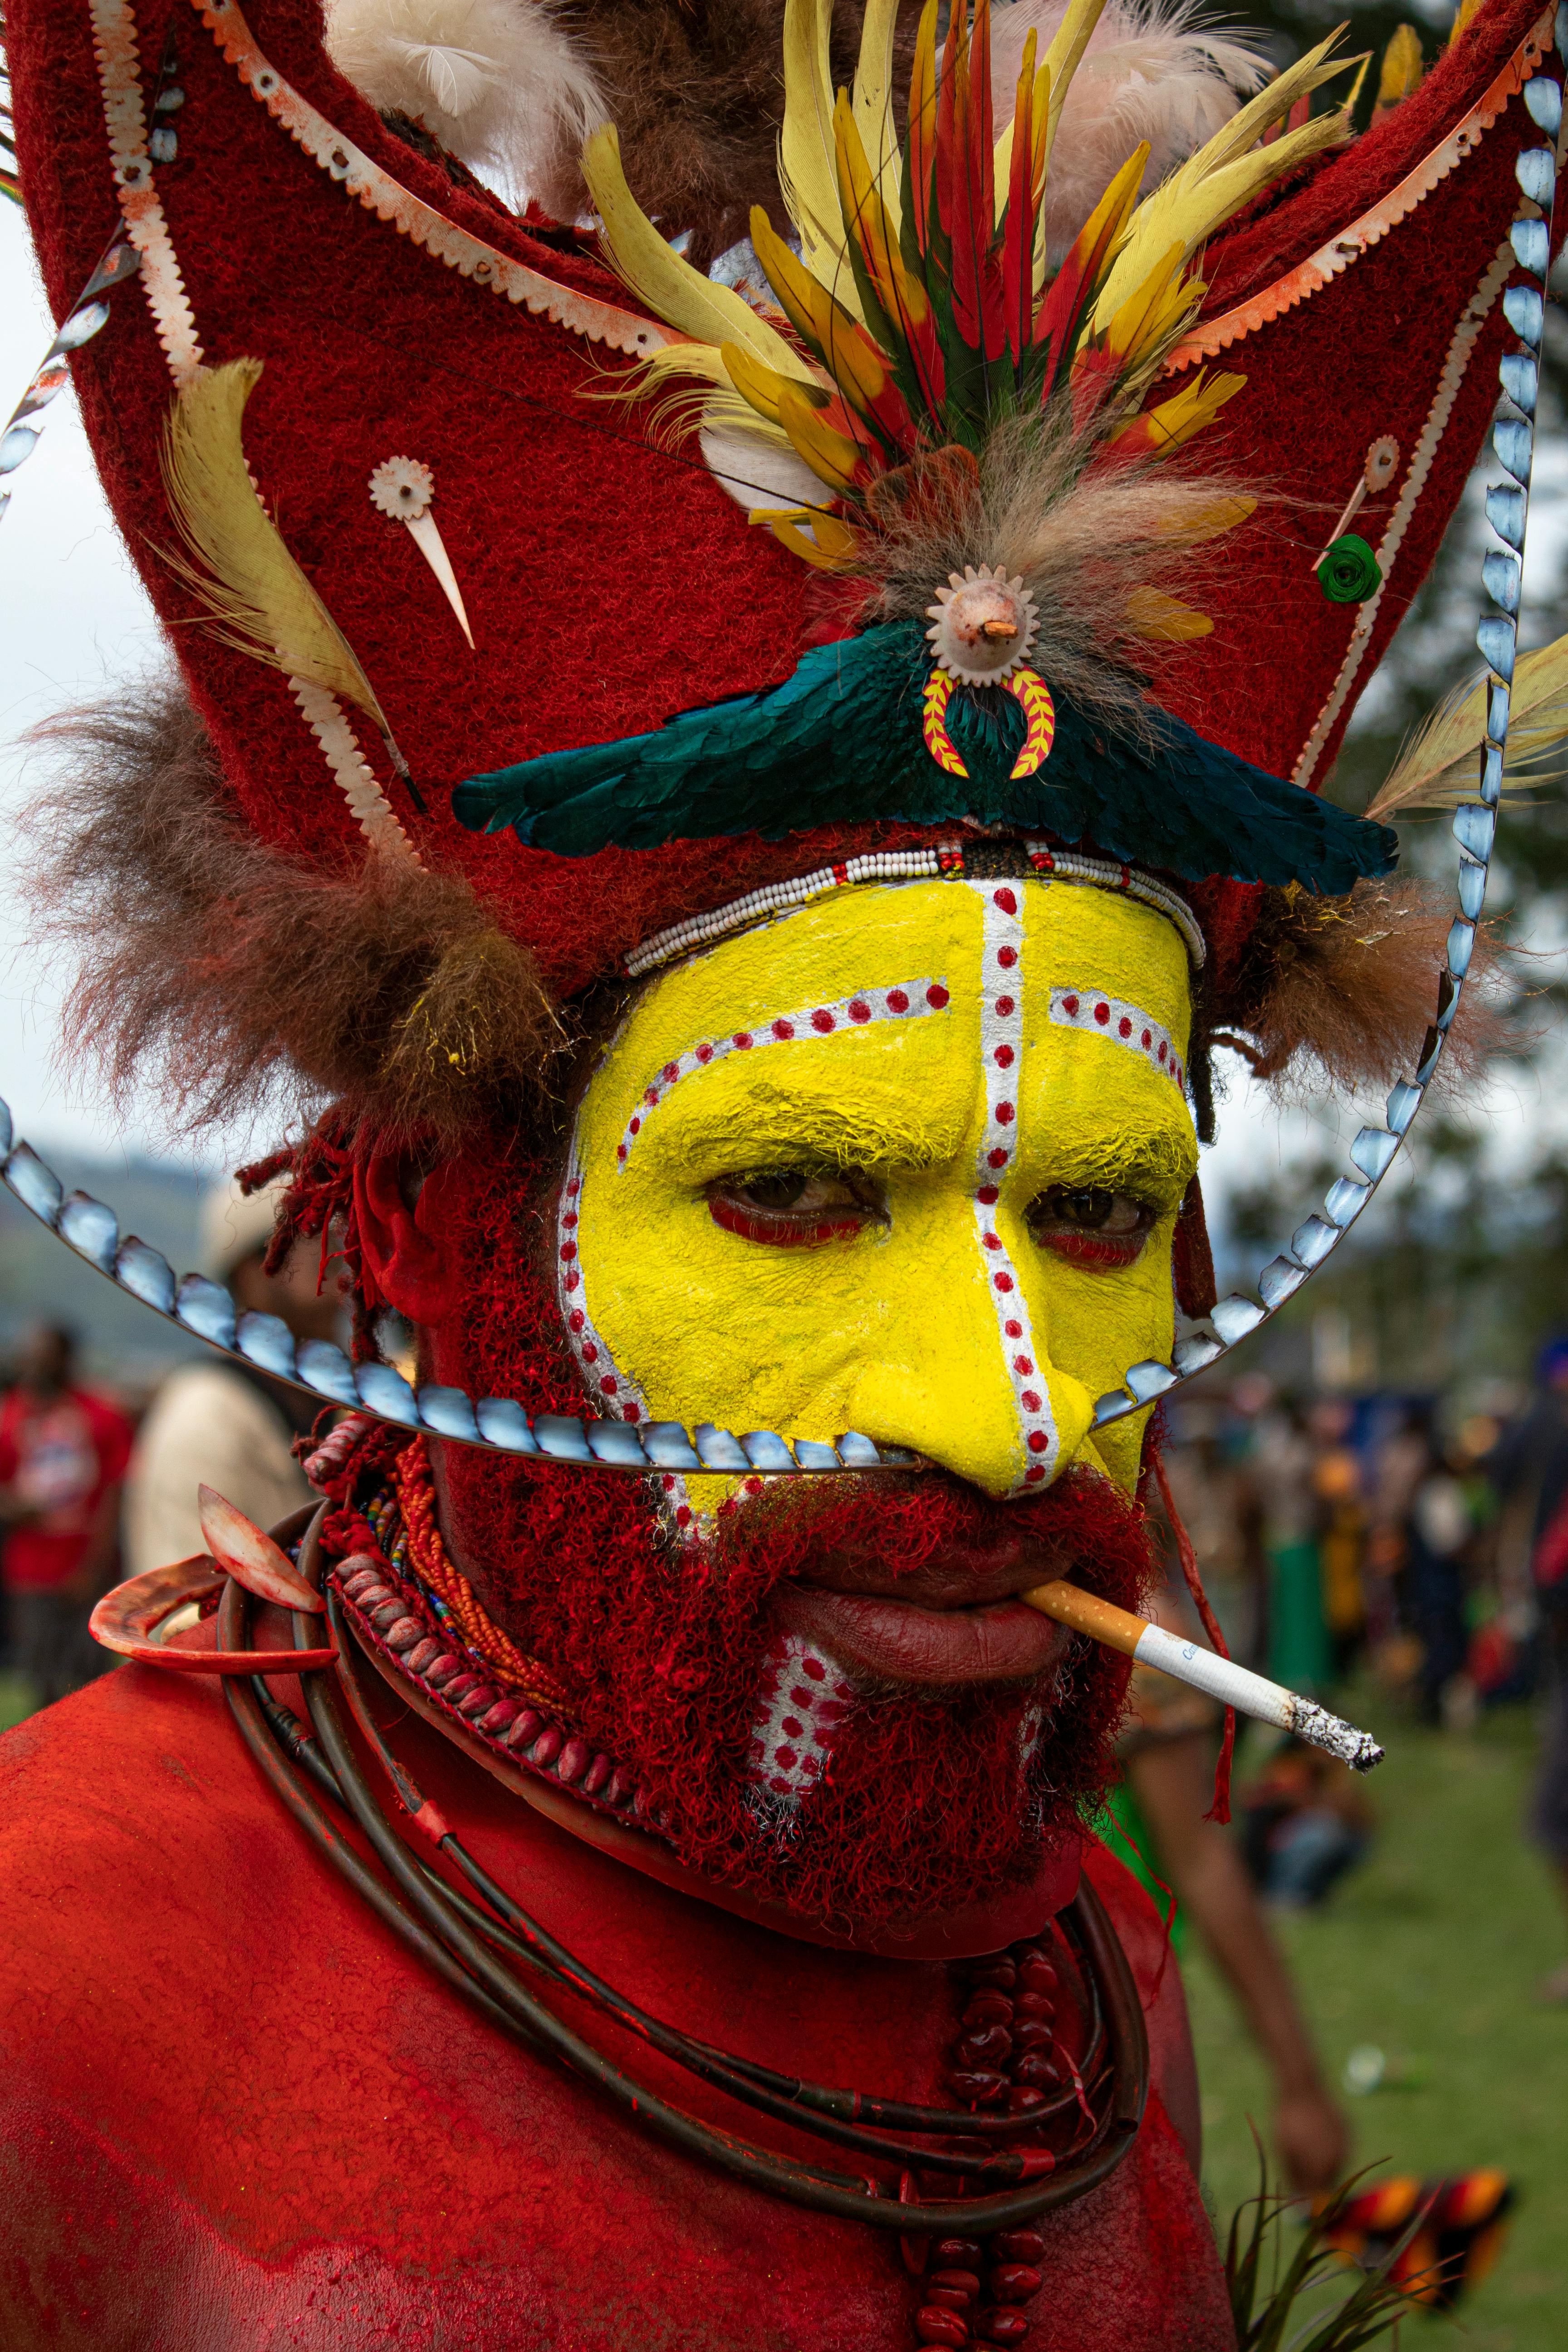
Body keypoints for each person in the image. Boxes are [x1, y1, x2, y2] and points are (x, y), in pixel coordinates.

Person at [0, 0, 1553, 2342]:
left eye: (1105, 1215)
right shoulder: (62, 1987)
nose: (1014, 1412)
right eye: (801, 1197)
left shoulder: (1077, 1977)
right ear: (431, 1224)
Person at [123, 1176, 344, 1577]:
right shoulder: (205, 1417)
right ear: (253, 1273)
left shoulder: (347, 1404)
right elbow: (195, 1621)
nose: (340, 1252)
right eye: (313, 1234)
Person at [0, 1325, 133, 1707]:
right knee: (40, 1677)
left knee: (88, 1680)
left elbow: (115, 1493)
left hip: (86, 1569)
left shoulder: (100, 1415)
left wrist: (95, 1566)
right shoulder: (10, 1415)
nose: (36, 1364)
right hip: (30, 1571)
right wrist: (14, 1509)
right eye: (31, 1354)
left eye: (46, 1354)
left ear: (66, 1358)